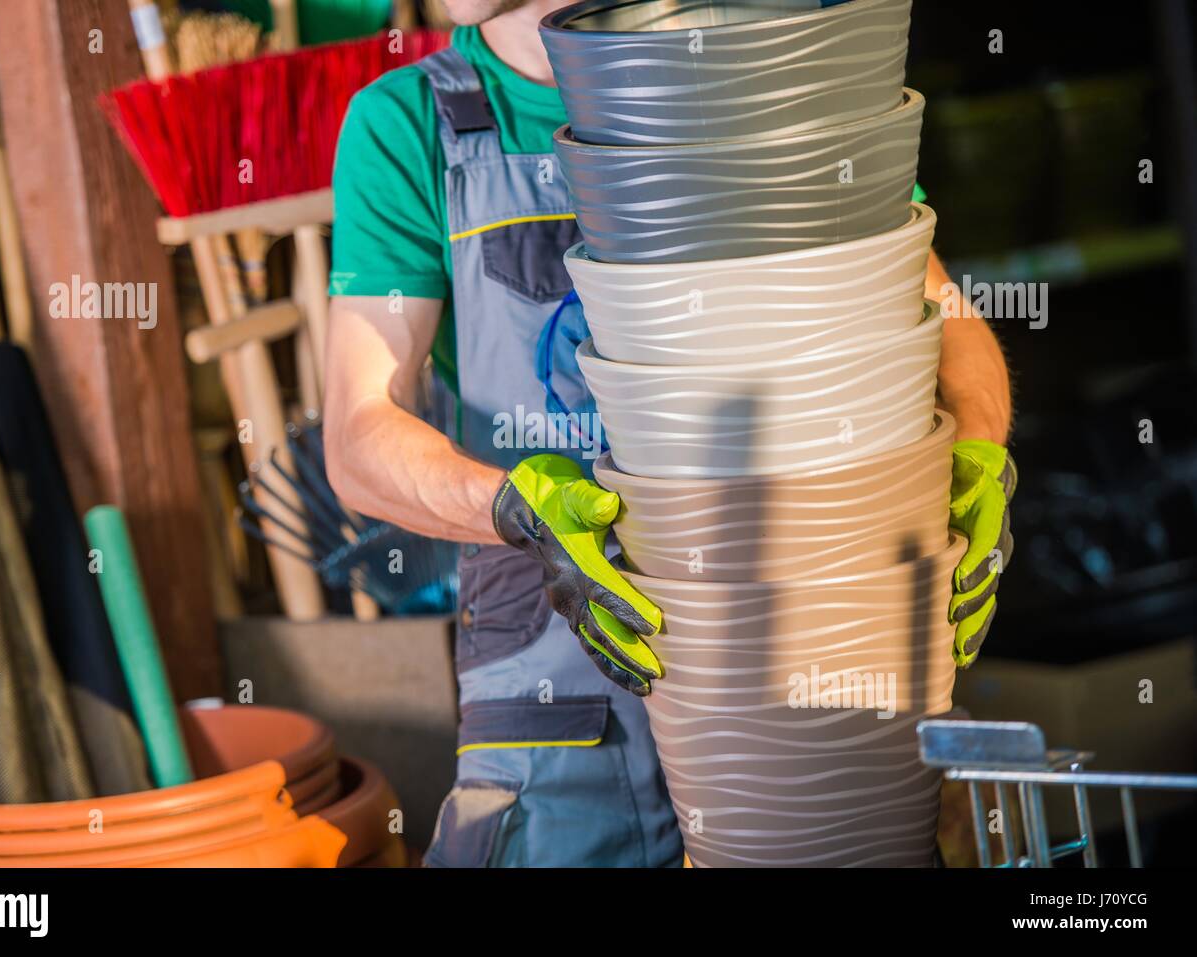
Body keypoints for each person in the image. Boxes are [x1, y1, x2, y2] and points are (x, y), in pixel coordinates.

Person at [323, 0, 1015, 867]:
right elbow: (357, 434)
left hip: (805, 664)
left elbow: (944, 319)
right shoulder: (410, 125)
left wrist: (980, 448)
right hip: (555, 704)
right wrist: (514, 507)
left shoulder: (758, 68)